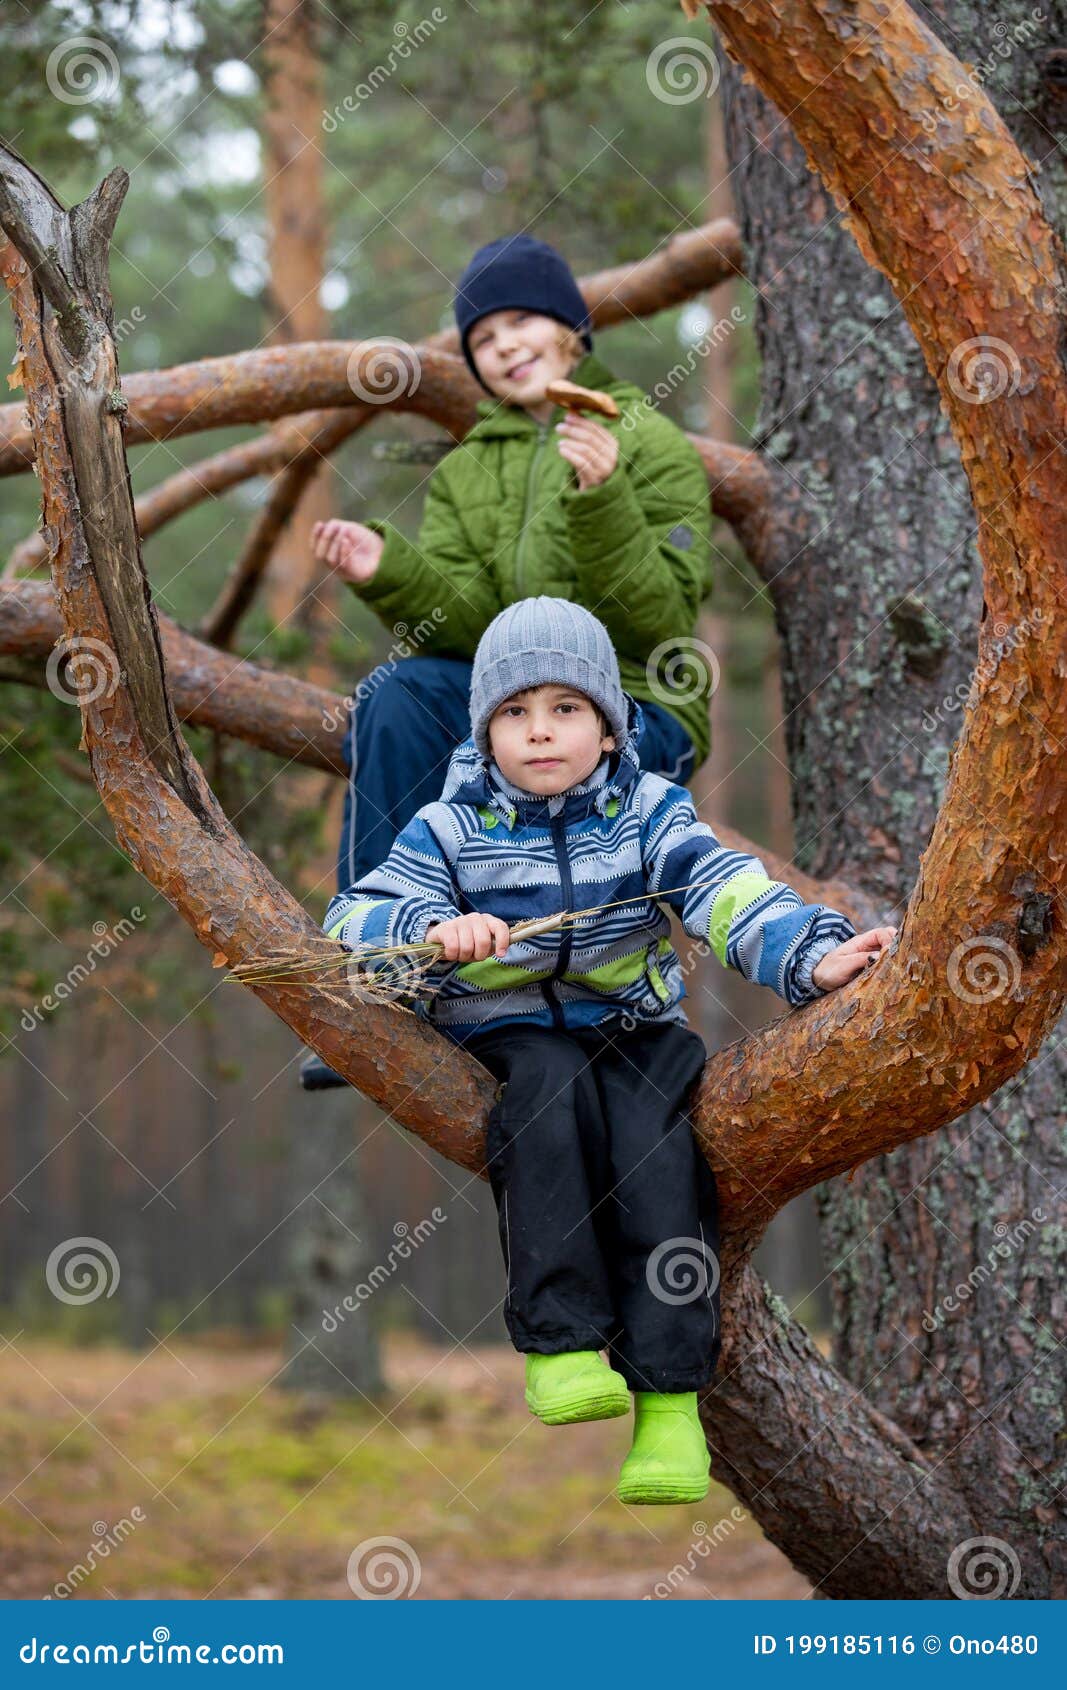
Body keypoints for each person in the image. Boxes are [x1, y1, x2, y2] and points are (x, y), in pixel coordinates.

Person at [321, 598, 898, 1504]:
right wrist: (431, 928)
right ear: (484, 730)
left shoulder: (648, 811)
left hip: (630, 1028)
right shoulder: (451, 826)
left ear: (607, 724)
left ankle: (668, 1406)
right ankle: (560, 1344)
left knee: (659, 1160)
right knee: (544, 1117)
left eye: (564, 709)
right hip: (505, 1033)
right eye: (513, 713)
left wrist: (810, 954)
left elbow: (721, 889)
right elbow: (354, 918)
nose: (538, 733)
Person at [301, 231, 715, 1088]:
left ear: (571, 329)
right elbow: (473, 630)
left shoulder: (647, 442)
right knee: (398, 692)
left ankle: (567, 1017)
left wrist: (602, 503)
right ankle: (379, 973)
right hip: (520, 701)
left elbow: (665, 619)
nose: (503, 347)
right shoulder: (464, 473)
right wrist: (394, 573)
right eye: (482, 339)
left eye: (522, 321)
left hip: (635, 700)